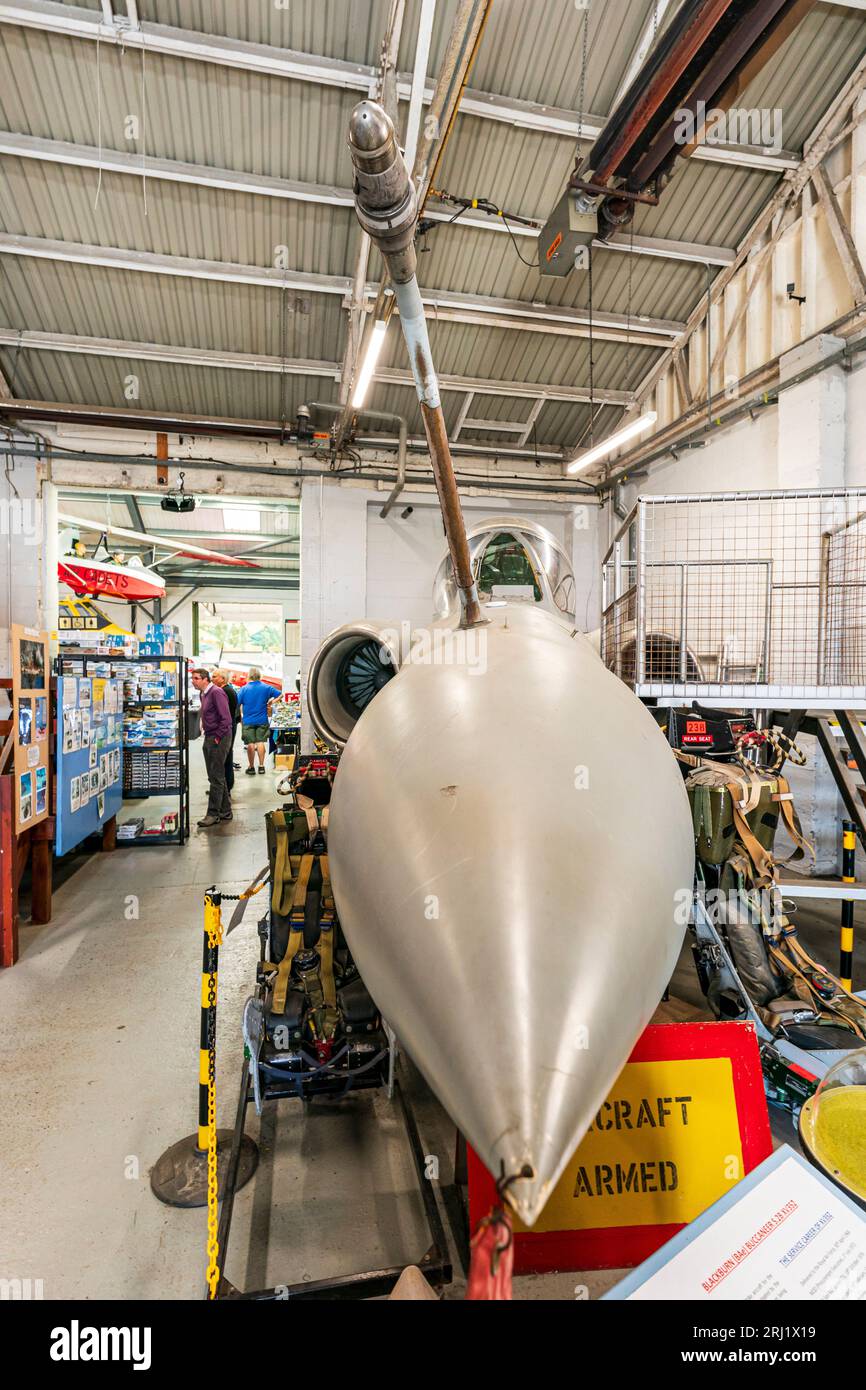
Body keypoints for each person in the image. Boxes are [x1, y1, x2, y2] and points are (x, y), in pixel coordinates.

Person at [190, 667, 232, 826]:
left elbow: (226, 719)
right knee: (217, 775)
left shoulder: (216, 692)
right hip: (210, 736)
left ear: (205, 679)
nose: (193, 681)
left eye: (196, 678)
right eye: (192, 678)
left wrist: (217, 738)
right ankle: (226, 811)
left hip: (218, 737)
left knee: (215, 777)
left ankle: (213, 814)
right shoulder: (204, 694)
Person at [237, 667, 272, 775]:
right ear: (259, 675)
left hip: (248, 720)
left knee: (250, 744)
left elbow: (237, 703)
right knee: (261, 742)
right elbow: (280, 694)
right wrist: (270, 703)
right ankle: (261, 766)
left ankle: (251, 767)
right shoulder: (266, 687)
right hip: (262, 719)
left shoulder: (244, 689)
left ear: (249, 675)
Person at [212, 669, 239, 791]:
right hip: (229, 726)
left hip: (226, 728)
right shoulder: (228, 690)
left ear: (222, 679)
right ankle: (225, 785)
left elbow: (224, 714)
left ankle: (226, 786)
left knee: (225, 757)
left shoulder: (224, 692)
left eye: (214, 676)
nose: (212, 679)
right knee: (226, 756)